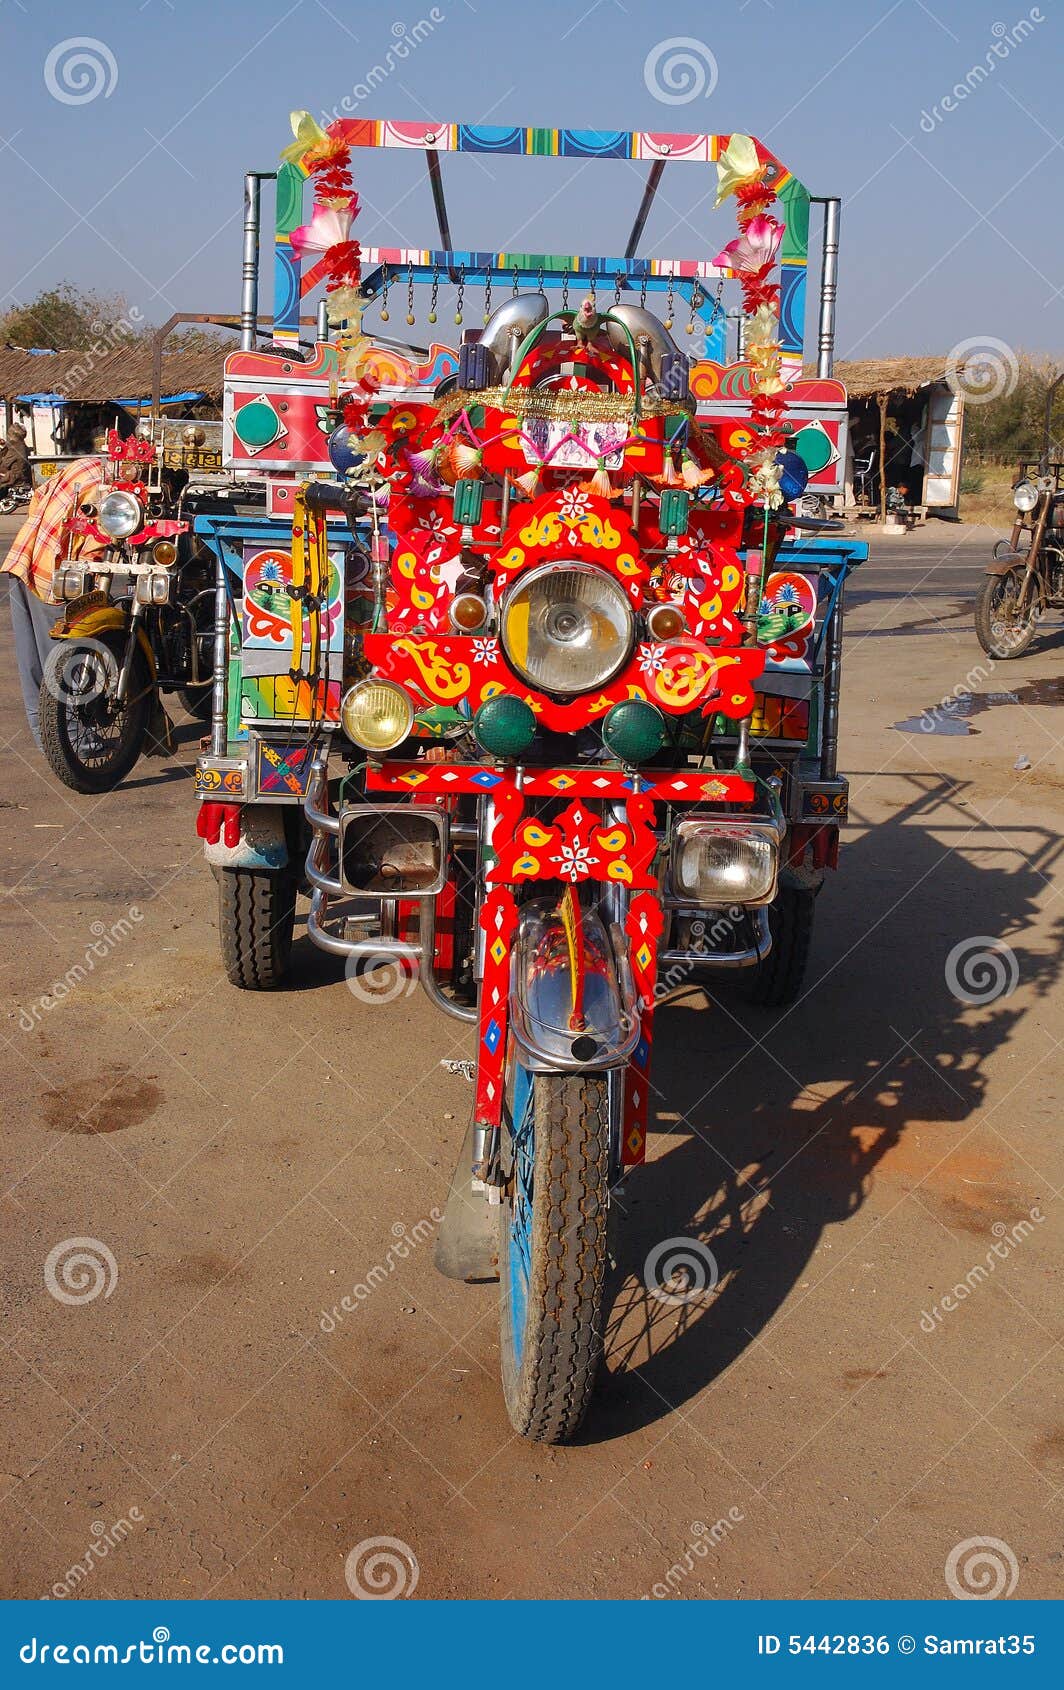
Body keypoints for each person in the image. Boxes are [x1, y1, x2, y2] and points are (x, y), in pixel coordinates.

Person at [1, 457, 104, 749]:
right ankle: (74, 741)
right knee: (63, 662)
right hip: (56, 576)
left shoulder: (84, 466)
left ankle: (46, 738)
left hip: (25, 558)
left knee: (32, 662)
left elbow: (38, 496)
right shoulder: (109, 486)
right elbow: (97, 542)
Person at [0, 423, 31, 492]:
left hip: (14, 479)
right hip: (22, 478)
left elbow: (4, 465)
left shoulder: (14, 447)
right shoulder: (23, 446)